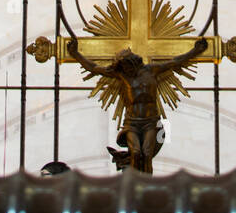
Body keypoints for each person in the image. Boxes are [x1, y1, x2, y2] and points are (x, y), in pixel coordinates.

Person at [66, 36, 206, 174]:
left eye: (127, 65)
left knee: (146, 153)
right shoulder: (121, 75)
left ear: (133, 62)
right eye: (123, 67)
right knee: (136, 153)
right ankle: (135, 184)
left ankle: (147, 187)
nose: (126, 69)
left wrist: (195, 51)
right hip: (132, 123)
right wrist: (76, 54)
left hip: (151, 121)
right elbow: (94, 68)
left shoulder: (151, 70)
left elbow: (175, 62)